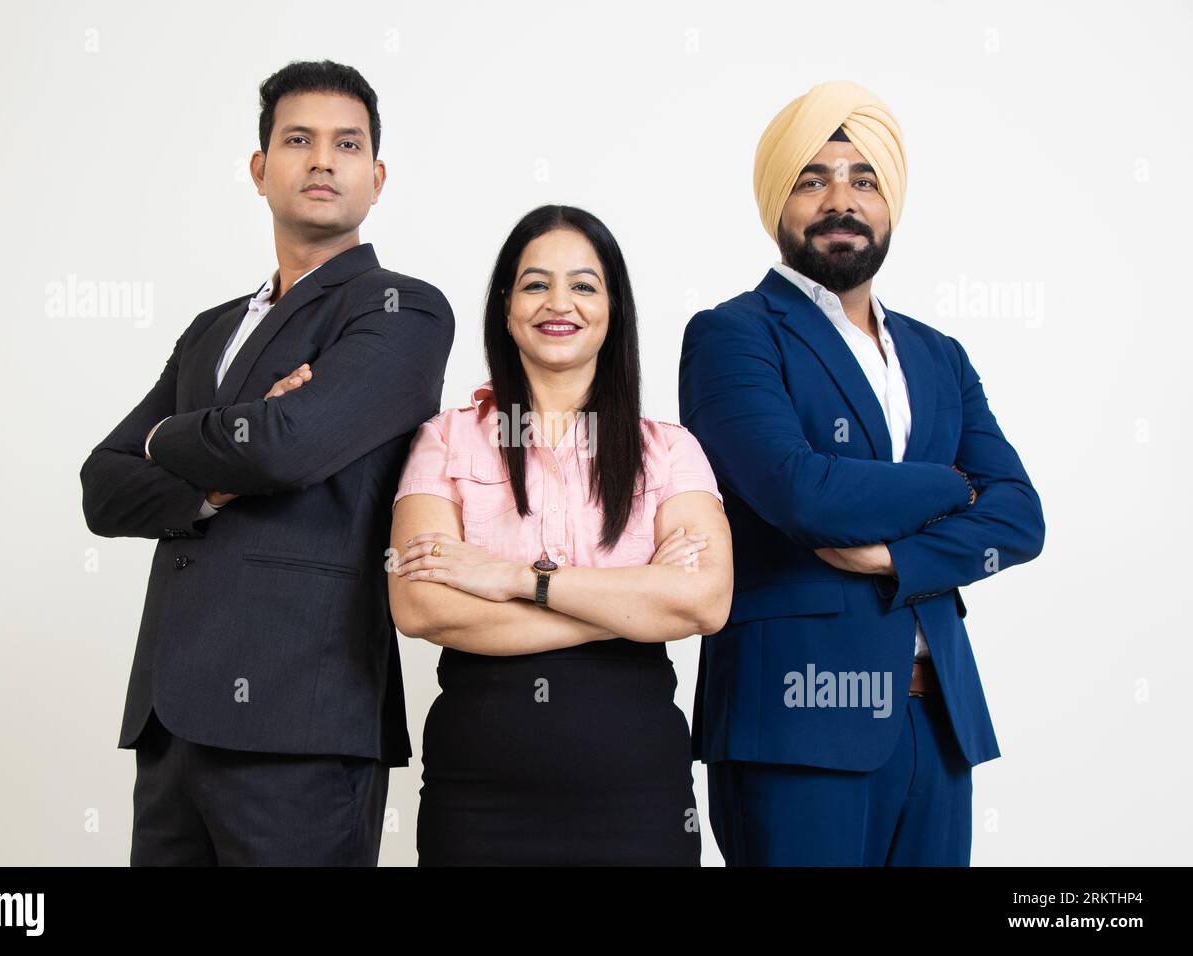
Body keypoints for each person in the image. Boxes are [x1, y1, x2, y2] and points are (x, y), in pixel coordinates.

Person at [79, 59, 455, 865]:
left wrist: (171, 437)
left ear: (377, 176)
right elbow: (103, 487)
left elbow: (293, 447)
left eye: (346, 144)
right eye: (299, 140)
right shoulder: (210, 330)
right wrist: (222, 456)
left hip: (301, 721)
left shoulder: (402, 308)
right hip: (169, 725)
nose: (323, 160)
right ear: (260, 169)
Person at [679, 80, 1045, 866]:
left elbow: (1020, 517)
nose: (840, 199)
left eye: (863, 179)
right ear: (779, 202)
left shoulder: (938, 355)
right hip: (796, 723)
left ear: (890, 205)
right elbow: (800, 493)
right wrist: (953, 487)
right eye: (813, 179)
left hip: (936, 721)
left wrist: (893, 557)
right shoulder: (732, 335)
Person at [388, 204, 733, 865]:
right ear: (506, 305)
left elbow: (705, 602)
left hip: (639, 791)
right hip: (480, 795)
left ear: (613, 308)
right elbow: (419, 604)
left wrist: (517, 580)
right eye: (535, 282)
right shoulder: (446, 439)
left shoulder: (670, 450)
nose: (559, 302)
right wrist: (632, 607)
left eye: (583, 284)